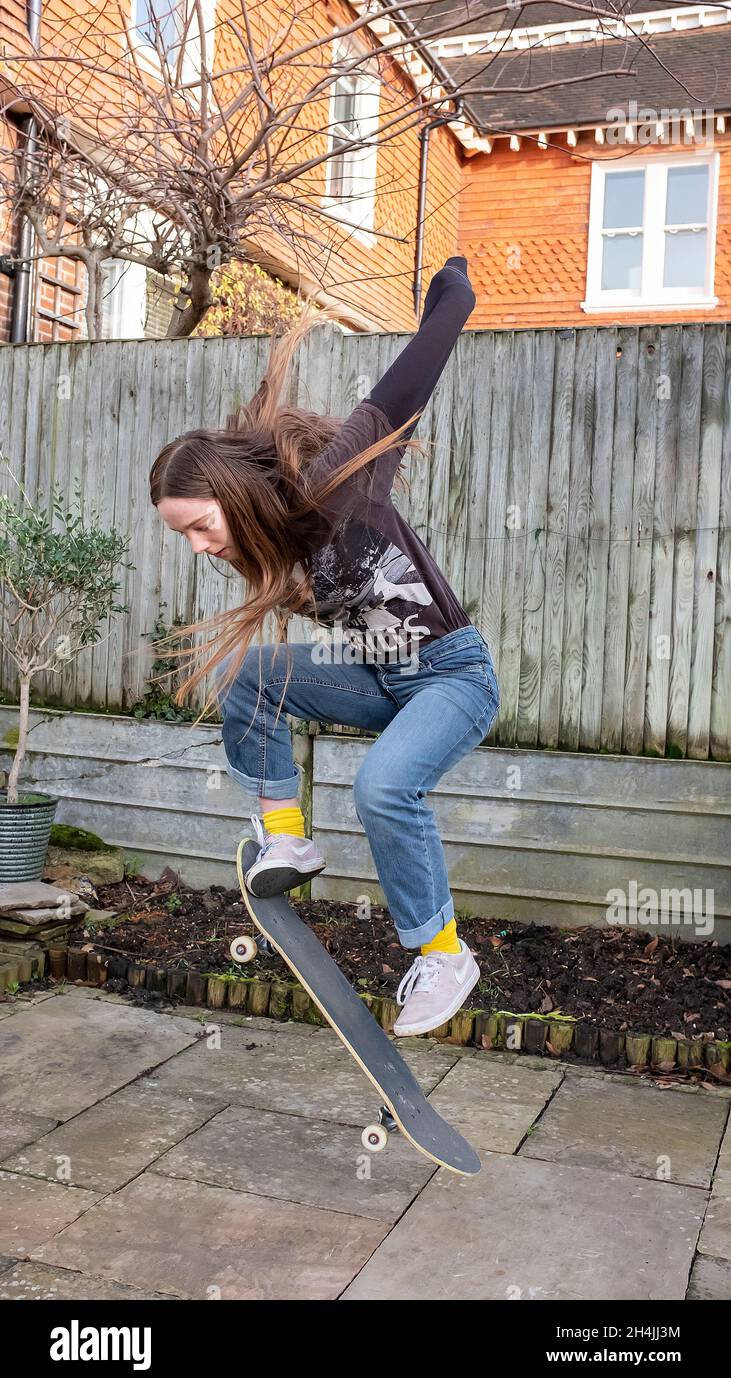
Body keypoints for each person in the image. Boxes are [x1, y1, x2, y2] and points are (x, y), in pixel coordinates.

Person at [150, 254, 500, 1036]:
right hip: (376, 682)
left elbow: (407, 385)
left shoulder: (339, 481)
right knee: (251, 673)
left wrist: (452, 295)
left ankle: (443, 955)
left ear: (231, 494)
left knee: (382, 788)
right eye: (186, 537)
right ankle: (288, 842)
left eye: (200, 527)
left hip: (452, 678)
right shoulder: (269, 543)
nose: (201, 548)